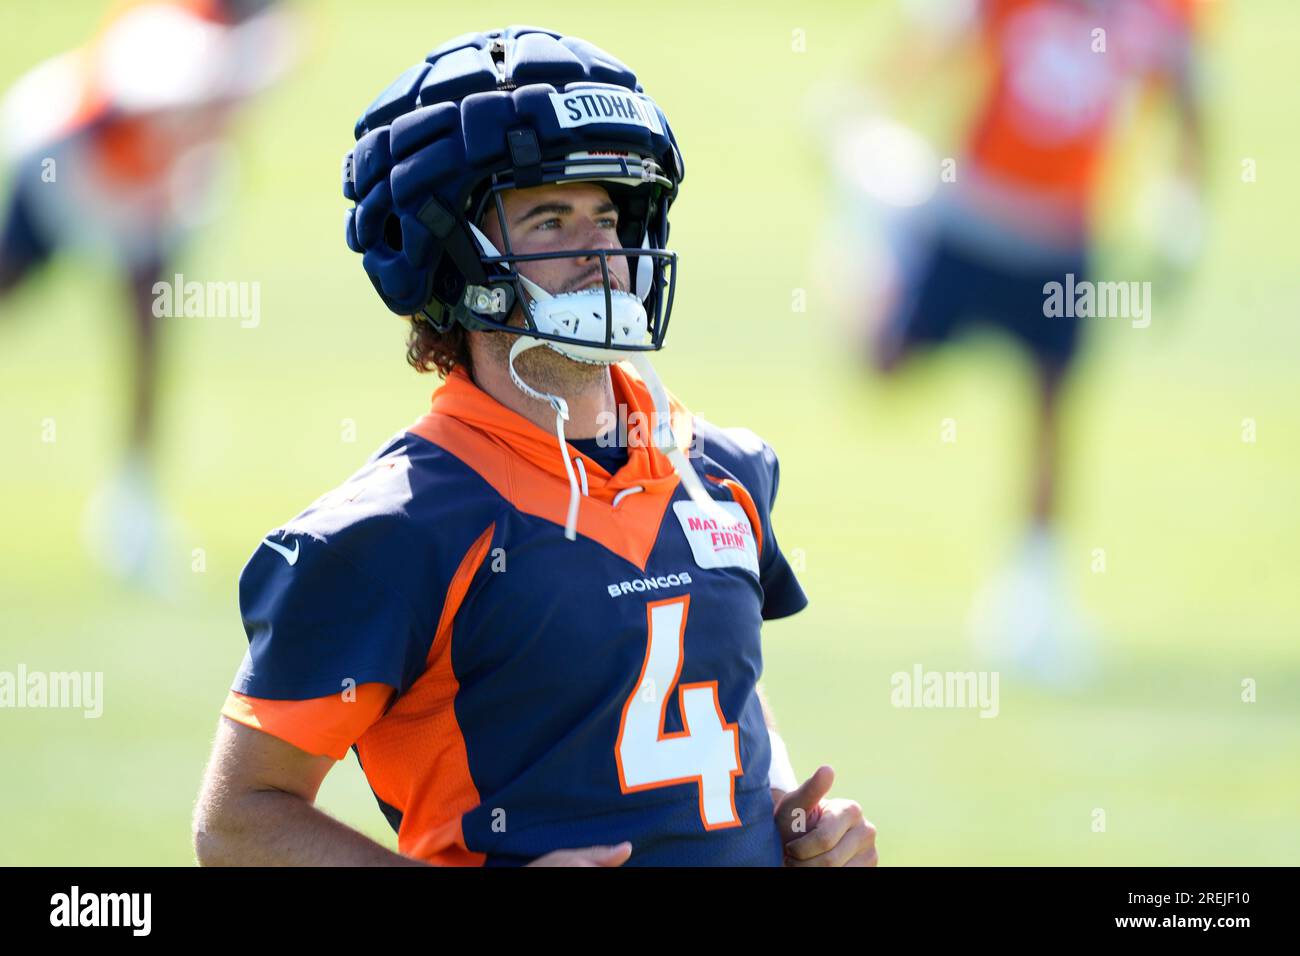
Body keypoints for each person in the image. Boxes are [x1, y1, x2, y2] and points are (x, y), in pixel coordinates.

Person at [193, 26, 878, 867]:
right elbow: (237, 821)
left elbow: (697, 681)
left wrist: (788, 813)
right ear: (451, 257)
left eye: (609, 215)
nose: (602, 255)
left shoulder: (720, 470)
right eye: (551, 218)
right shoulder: (394, 533)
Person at [855, 0, 1205, 683]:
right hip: (973, 216)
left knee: (1053, 410)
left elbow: (1188, 89)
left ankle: (1033, 599)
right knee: (885, 367)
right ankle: (869, 244)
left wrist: (1186, 199)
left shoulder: (1158, 13)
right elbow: (940, 41)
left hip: (1062, 237)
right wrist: (868, 108)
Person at [0, 0, 295, 588]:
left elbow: (220, 123)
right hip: (67, 172)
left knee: (149, 345)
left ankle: (131, 509)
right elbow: (113, 105)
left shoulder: (265, 39)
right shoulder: (169, 33)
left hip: (146, 194)